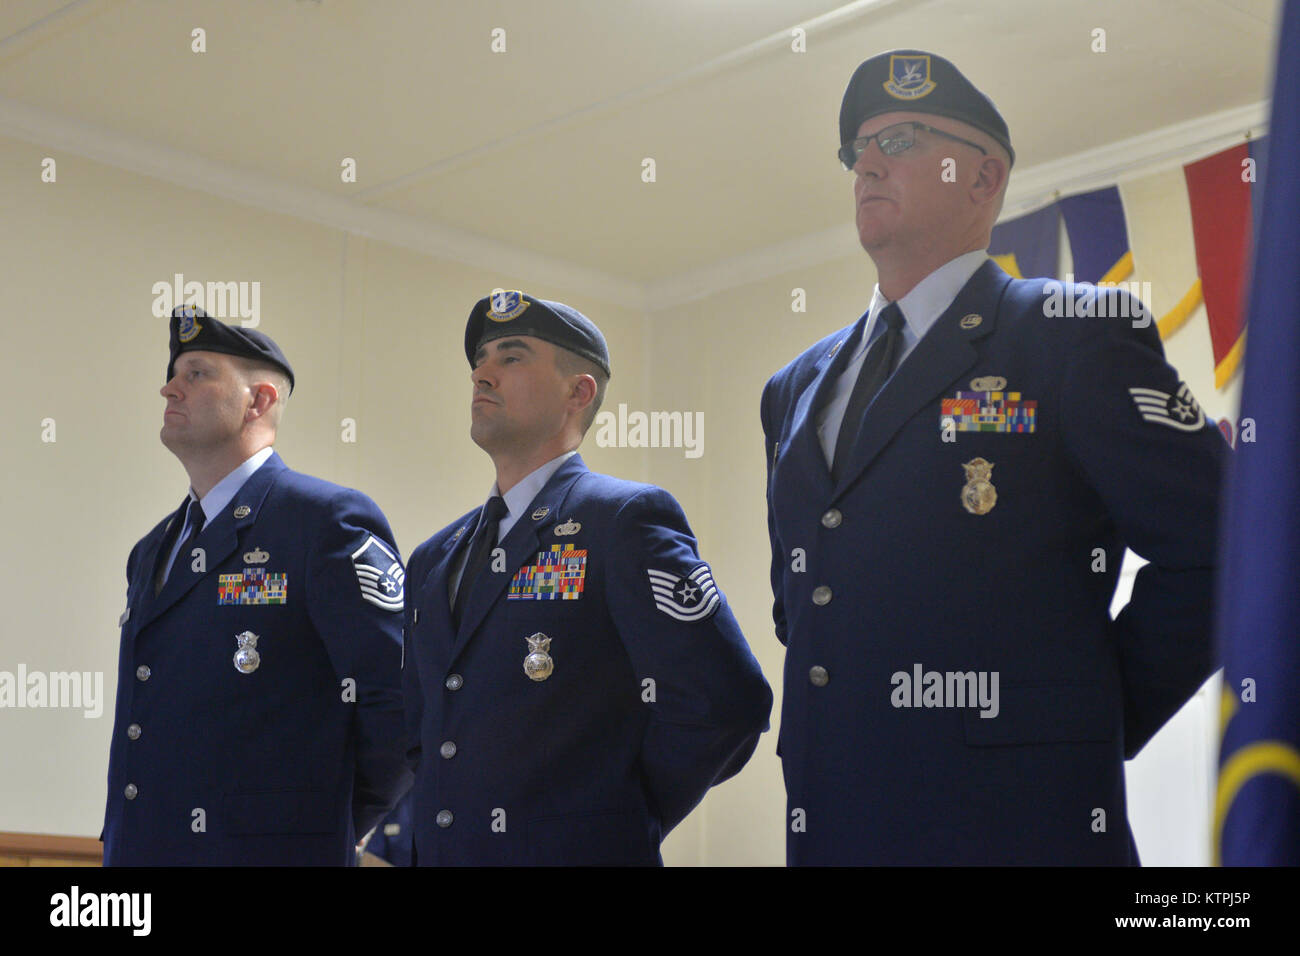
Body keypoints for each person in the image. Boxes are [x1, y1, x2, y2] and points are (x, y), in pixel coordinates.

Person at [761, 50, 1226, 864]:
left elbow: (1222, 548)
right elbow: (804, 603)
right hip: (834, 827)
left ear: (982, 178)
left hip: (1018, 830)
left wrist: (1084, 714)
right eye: (856, 150)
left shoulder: (1073, 333)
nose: (866, 161)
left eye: (900, 138)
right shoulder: (794, 387)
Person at [402, 291, 771, 865]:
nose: (482, 372)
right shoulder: (434, 557)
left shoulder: (622, 519)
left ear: (578, 392)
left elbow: (723, 703)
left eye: (512, 356)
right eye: (480, 359)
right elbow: (423, 733)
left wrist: (614, 806)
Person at [102, 305, 411, 865]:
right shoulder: (153, 549)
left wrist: (319, 826)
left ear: (259, 400)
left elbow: (396, 699)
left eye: (196, 373)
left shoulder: (323, 521)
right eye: (174, 374)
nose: (169, 389)